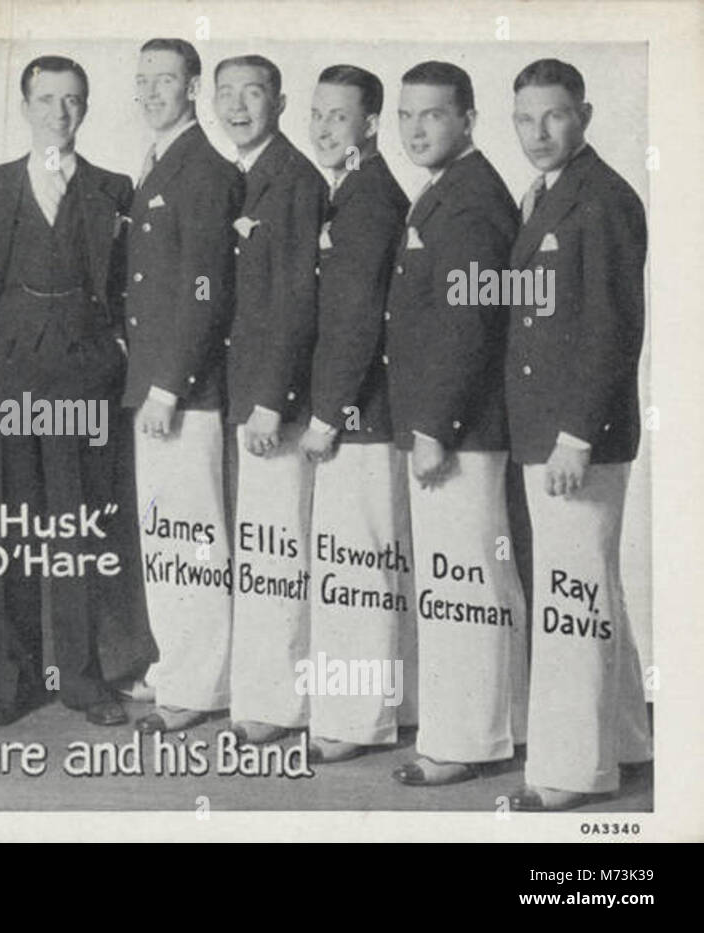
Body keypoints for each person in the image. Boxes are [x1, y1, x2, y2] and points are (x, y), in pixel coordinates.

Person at [0, 55, 134, 727]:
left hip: (82, 372)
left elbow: (130, 286)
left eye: (71, 100)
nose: (58, 113)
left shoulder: (114, 188)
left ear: (86, 108)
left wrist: (113, 347)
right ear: (25, 105)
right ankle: (11, 681)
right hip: (6, 370)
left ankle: (85, 679)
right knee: (10, 525)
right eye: (45, 99)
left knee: (74, 525)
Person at [504, 58, 653, 810]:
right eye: (525, 118)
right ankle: (626, 740)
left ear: (584, 115)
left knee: (571, 595)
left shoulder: (604, 200)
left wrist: (575, 435)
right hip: (549, 426)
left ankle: (571, 769)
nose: (538, 132)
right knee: (590, 585)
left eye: (554, 116)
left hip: (575, 433)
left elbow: (612, 329)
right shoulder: (553, 194)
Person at [385, 62, 529, 787]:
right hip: (456, 423)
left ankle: (467, 742)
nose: (416, 128)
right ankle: (496, 726)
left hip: (462, 429)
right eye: (407, 115)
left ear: (468, 119)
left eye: (434, 115)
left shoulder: (470, 201)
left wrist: (436, 424)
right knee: (472, 582)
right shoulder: (448, 189)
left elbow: (469, 324)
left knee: (462, 587)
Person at [124, 38, 243, 734]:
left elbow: (206, 291)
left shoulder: (201, 167)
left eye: (166, 80)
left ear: (193, 86)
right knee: (167, 535)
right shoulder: (166, 160)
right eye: (142, 80)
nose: (151, 92)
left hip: (183, 392)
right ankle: (180, 667)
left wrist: (169, 385)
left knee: (190, 537)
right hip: (158, 385)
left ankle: (198, 685)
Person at [300, 65, 416, 761]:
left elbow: (355, 321)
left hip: (363, 416)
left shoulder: (369, 198)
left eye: (338, 117)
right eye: (316, 114)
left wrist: (327, 414)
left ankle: (355, 722)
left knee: (358, 571)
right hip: (360, 414)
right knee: (359, 566)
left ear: (370, 125)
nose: (321, 127)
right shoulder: (351, 189)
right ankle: (366, 712)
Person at [215, 54, 328, 745]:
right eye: (225, 94)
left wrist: (270, 400)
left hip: (272, 402)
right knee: (261, 551)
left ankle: (282, 704)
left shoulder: (291, 180)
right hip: (248, 391)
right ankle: (264, 693)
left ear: (279, 101)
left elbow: (296, 299)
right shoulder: (250, 175)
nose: (236, 106)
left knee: (276, 552)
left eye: (251, 93)